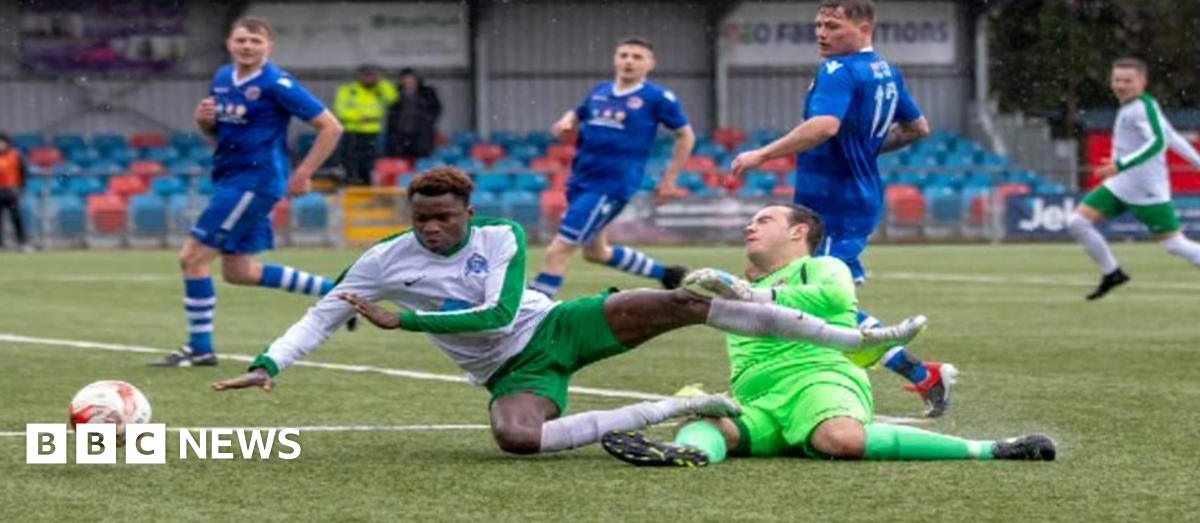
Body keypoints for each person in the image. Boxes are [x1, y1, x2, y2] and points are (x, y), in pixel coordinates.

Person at [211, 167, 927, 457]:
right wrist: (270, 361)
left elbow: (495, 314)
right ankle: (669, 409)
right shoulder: (383, 260)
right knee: (518, 440)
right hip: (513, 371)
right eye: (422, 219)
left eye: (444, 217)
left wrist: (413, 322)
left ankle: (858, 337)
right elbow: (323, 312)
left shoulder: (503, 235)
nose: (432, 230)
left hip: (555, 324)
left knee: (688, 300)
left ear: (467, 210)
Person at [600, 203, 1056, 467]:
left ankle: (991, 448)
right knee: (707, 425)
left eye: (763, 220)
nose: (749, 227)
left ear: (798, 232)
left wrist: (750, 295)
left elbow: (834, 298)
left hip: (820, 382)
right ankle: (686, 455)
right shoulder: (739, 288)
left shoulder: (819, 265)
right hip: (757, 399)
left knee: (839, 440)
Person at [730, 0, 955, 417]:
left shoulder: (838, 70)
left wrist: (762, 154)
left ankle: (920, 372)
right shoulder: (886, 70)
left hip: (832, 202)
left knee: (819, 302)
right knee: (794, 290)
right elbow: (918, 128)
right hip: (852, 197)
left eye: (832, 26)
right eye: (818, 25)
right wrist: (867, 152)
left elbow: (823, 126)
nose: (821, 34)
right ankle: (913, 373)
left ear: (864, 28)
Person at [149, 16, 346, 367]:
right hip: (229, 177)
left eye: (256, 41)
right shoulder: (223, 78)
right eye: (241, 40)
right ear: (229, 43)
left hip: (254, 182)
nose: (247, 46)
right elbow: (217, 135)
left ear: (269, 47)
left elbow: (331, 127)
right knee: (240, 272)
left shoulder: (278, 83)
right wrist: (203, 121)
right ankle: (338, 294)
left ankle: (200, 349)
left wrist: (303, 172)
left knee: (193, 257)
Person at [529, 37, 694, 299]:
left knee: (558, 250)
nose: (629, 61)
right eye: (624, 55)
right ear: (615, 59)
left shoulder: (658, 98)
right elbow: (579, 112)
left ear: (651, 64)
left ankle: (529, 312)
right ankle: (668, 275)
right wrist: (566, 120)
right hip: (581, 179)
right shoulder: (601, 90)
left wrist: (669, 180)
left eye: (637, 57)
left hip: (610, 185)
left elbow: (686, 135)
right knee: (596, 253)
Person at [1068, 57, 1200, 300]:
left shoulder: (1142, 107)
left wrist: (1119, 164)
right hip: (1121, 185)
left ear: (1142, 82)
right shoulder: (1135, 107)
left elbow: (1159, 142)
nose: (1121, 85)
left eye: (1128, 81)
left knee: (1175, 245)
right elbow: (1172, 137)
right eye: (1117, 80)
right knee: (1077, 222)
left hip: (1146, 189)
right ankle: (1112, 273)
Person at [334, 64, 397, 185]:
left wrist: (381, 81)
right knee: (350, 162)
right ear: (359, 76)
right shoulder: (348, 90)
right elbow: (340, 109)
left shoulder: (380, 89)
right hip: (352, 131)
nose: (370, 78)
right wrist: (359, 118)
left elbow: (393, 97)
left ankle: (366, 186)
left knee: (368, 164)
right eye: (367, 75)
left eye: (373, 75)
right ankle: (351, 185)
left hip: (371, 132)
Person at [384, 67, 442, 161]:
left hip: (421, 134)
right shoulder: (394, 92)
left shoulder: (427, 92)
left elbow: (436, 109)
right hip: (400, 134)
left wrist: (428, 121)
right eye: (406, 79)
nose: (409, 81)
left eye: (411, 78)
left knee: (421, 159)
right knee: (400, 160)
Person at [0, 132, 32, 252]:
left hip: (12, 191)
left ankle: (22, 243)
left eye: (2, 142)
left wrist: (21, 189)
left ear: (7, 143)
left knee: (17, 218)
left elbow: (24, 173)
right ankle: (1, 244)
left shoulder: (16, 156)